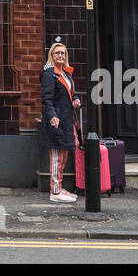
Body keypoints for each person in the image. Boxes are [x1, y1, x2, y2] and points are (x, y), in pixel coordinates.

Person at [41, 38, 81, 205]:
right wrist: (52, 116)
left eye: (63, 53)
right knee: (57, 157)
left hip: (66, 120)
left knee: (63, 156)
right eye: (57, 52)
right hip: (56, 121)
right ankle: (55, 191)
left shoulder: (65, 73)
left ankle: (60, 187)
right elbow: (47, 99)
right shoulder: (49, 74)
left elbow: (71, 93)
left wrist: (76, 100)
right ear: (51, 54)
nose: (60, 55)